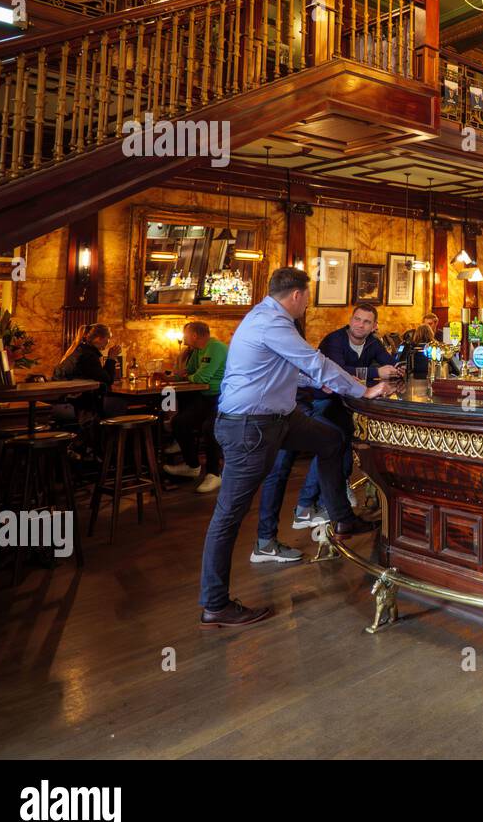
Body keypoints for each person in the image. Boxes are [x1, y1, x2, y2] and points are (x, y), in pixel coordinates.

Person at [198, 267, 393, 628]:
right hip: (250, 427)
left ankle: (342, 519)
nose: (307, 302)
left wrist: (331, 382)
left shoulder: (267, 318)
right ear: (297, 295)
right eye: (308, 295)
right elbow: (312, 361)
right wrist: (360, 389)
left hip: (278, 419)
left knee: (331, 439)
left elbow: (292, 369)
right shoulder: (273, 323)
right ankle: (214, 603)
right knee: (228, 514)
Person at [259, 303, 399, 531]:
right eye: (357, 319)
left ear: (374, 326)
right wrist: (370, 376)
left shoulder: (372, 343)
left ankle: (324, 506)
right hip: (304, 403)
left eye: (366, 321)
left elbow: (323, 373)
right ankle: (313, 508)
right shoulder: (335, 340)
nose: (360, 324)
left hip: (315, 401)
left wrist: (391, 370)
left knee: (338, 438)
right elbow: (333, 370)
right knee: (331, 441)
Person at [163, 320, 227, 493]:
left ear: (194, 335)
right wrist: (172, 377)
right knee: (179, 421)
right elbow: (186, 373)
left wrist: (188, 376)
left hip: (223, 398)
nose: (183, 337)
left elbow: (201, 377)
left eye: (185, 334)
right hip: (205, 397)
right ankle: (192, 465)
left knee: (209, 428)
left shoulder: (215, 347)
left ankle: (214, 474)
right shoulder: (197, 351)